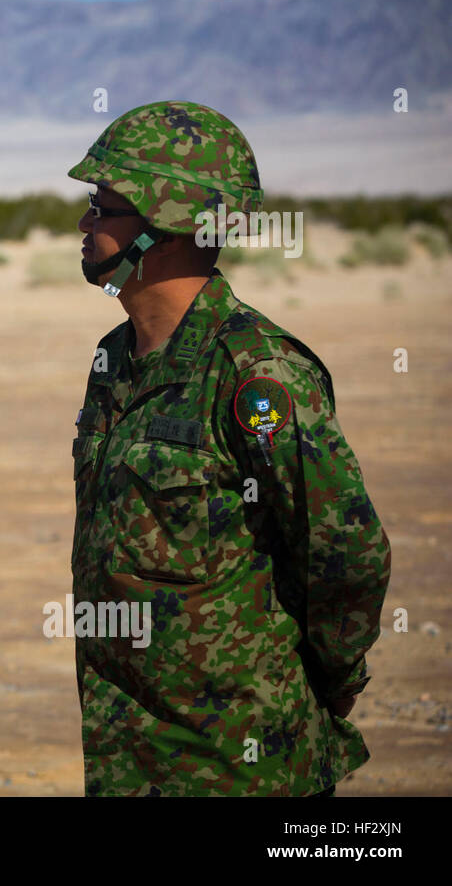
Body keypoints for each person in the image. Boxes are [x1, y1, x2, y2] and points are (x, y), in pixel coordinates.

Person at [66, 100, 391, 796]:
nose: (85, 225)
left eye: (104, 207)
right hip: (130, 755)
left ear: (168, 224)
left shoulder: (258, 373)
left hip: (242, 765)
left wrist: (331, 682)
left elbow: (345, 553)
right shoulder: (114, 359)